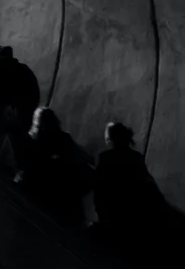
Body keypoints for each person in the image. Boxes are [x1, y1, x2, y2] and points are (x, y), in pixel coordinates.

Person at [92, 122, 167, 252]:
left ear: (111, 139)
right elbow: (148, 182)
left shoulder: (105, 157)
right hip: (132, 210)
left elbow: (99, 188)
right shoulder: (136, 158)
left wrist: (101, 213)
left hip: (112, 210)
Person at [15, 107, 94, 227]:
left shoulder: (33, 138)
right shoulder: (61, 137)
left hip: (35, 186)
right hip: (52, 188)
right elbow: (80, 156)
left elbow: (24, 163)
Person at [0, 46, 41, 168]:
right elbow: (34, 96)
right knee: (19, 149)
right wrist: (22, 111)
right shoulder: (25, 70)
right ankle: (23, 173)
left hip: (0, 114)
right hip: (21, 117)